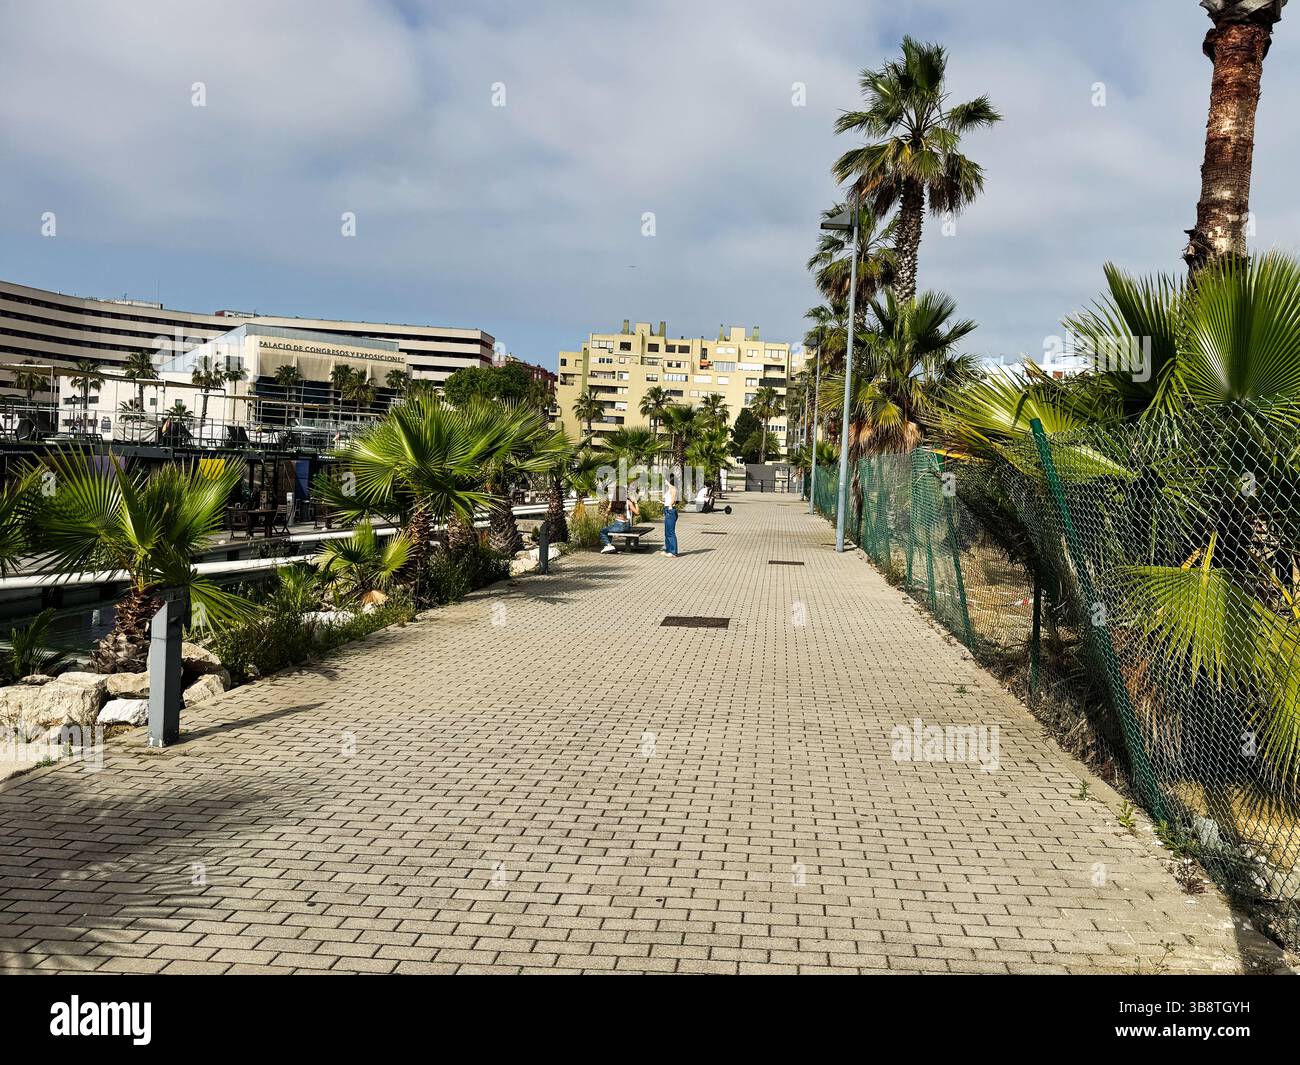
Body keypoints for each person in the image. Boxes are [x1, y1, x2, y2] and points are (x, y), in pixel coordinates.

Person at [662, 476, 679, 557]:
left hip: (670, 511)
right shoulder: (669, 489)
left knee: (670, 532)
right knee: (667, 531)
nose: (665, 481)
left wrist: (669, 505)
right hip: (667, 509)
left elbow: (673, 499)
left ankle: (673, 551)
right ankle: (668, 549)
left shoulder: (673, 489)